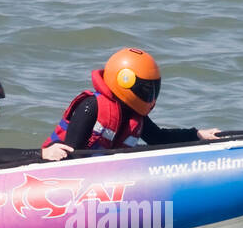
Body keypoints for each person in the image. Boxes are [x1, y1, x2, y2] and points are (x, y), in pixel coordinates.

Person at [43, 47, 221, 152]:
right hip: (59, 171)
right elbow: (70, 152)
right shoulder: (91, 106)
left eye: (152, 88)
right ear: (124, 81)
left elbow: (158, 138)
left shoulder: (135, 115)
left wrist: (197, 135)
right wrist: (44, 154)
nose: (150, 95)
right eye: (145, 88)